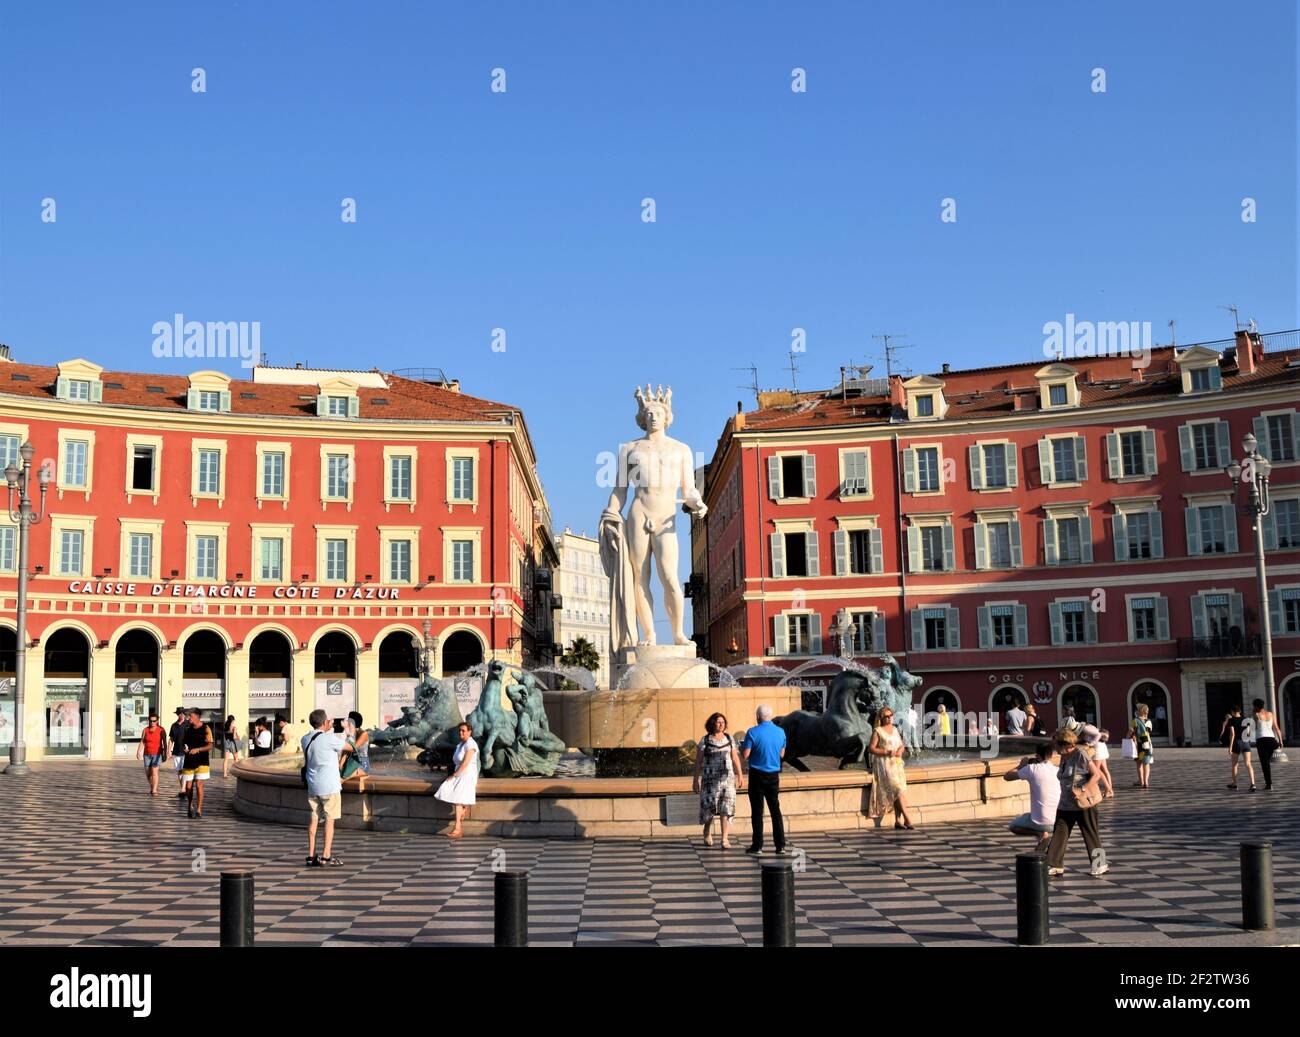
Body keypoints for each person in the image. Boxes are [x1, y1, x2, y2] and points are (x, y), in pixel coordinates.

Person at [1045, 727, 1107, 877]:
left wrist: (1083, 789)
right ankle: (1054, 864)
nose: (1054, 749)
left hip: (1083, 803)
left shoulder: (1080, 754)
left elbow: (1096, 775)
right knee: (1060, 832)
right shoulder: (1064, 756)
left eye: (1056, 746)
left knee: (1090, 832)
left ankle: (1100, 864)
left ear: (1065, 744)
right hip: (1066, 803)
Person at [301, 708, 346, 865]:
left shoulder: (305, 739)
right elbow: (349, 747)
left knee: (313, 819)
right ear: (324, 722)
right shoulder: (329, 739)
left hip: (313, 787)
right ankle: (326, 855)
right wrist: (348, 730)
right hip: (330, 787)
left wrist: (327, 728)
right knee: (329, 820)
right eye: (328, 721)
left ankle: (311, 855)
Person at [741, 704, 787, 856]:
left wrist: (744, 747)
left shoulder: (752, 732)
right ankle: (780, 846)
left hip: (757, 775)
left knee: (757, 812)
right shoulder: (780, 732)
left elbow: (745, 755)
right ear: (771, 716)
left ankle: (757, 846)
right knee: (776, 811)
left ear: (758, 717)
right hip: (773, 776)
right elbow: (781, 754)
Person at [693, 712, 743, 848]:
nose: (721, 724)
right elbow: (698, 762)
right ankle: (707, 831)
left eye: (723, 722)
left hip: (727, 779)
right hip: (710, 780)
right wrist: (695, 780)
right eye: (718, 722)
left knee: (725, 808)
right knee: (710, 808)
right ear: (712, 724)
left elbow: (735, 758)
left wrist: (740, 775)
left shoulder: (729, 738)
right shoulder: (705, 740)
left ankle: (724, 839)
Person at [1004, 742, 1060, 852]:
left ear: (1037, 756)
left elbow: (1007, 777)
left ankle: (1040, 833)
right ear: (1051, 755)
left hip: (1040, 821)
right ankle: (1045, 837)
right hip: (1058, 822)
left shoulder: (1032, 769)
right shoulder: (1057, 770)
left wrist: (1021, 766)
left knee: (1013, 826)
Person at [868, 706, 915, 828]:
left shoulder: (894, 729)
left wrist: (900, 750)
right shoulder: (878, 731)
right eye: (886, 716)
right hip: (884, 765)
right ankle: (908, 818)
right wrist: (886, 752)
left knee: (897, 792)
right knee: (898, 791)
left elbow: (901, 744)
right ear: (881, 718)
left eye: (891, 715)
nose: (889, 718)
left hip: (897, 765)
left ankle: (898, 821)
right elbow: (871, 748)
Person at [435, 722, 480, 838]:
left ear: (469, 732)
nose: (461, 732)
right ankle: (464, 810)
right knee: (447, 790)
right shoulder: (460, 744)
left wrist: (454, 775)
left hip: (467, 773)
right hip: (459, 771)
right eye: (460, 730)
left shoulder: (471, 744)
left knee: (457, 799)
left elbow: (465, 763)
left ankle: (457, 828)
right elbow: (457, 761)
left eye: (463, 731)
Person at [180, 708, 214, 819]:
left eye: (189, 716)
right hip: (189, 761)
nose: (187, 718)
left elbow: (210, 745)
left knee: (199, 785)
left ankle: (199, 809)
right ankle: (190, 805)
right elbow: (183, 744)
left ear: (196, 716)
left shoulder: (206, 728)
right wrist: (184, 749)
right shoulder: (187, 729)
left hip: (202, 761)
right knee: (188, 788)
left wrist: (198, 749)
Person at [1221, 705, 1257, 791]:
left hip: (1237, 743)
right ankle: (1253, 783)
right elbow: (1248, 734)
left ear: (1233, 712)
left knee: (1235, 764)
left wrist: (1230, 747)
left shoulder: (1231, 720)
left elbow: (1232, 734)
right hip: (1246, 743)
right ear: (1240, 711)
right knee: (1248, 764)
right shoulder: (1247, 720)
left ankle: (1234, 783)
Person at [1252, 699, 1283, 790]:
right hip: (1272, 740)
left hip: (1262, 740)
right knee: (1267, 762)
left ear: (1257, 707)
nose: (1253, 708)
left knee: (1265, 764)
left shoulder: (1256, 715)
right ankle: (1268, 783)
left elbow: (1251, 728)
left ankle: (1269, 784)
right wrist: (1280, 741)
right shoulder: (1270, 714)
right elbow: (1277, 728)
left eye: (1254, 706)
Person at [135, 712, 168, 796]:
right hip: (147, 754)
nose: (152, 723)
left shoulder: (161, 730)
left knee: (154, 772)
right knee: (148, 773)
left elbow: (164, 743)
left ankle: (154, 791)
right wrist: (139, 751)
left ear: (157, 721)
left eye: (154, 721)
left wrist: (165, 754)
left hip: (157, 754)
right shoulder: (145, 730)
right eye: (151, 721)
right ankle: (153, 786)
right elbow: (143, 741)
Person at [1128, 704, 1154, 788]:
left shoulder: (1135, 720)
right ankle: (1146, 782)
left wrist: (1129, 735)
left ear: (1139, 711)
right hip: (1147, 745)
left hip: (1138, 745)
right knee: (1146, 763)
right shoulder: (1149, 721)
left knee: (1139, 763)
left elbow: (1131, 732)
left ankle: (1141, 781)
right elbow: (1149, 731)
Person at [340, 711, 370, 781]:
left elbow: (353, 748)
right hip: (351, 763)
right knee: (337, 774)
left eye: (349, 720)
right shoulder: (351, 734)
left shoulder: (364, 734)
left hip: (362, 764)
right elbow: (346, 751)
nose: (347, 722)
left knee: (342, 778)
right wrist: (340, 764)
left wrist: (347, 732)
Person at [168, 707, 189, 797]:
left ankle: (183, 788)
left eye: (181, 713)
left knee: (184, 770)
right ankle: (183, 789)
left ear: (184, 714)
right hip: (176, 751)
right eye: (178, 713)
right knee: (179, 771)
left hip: (186, 751)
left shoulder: (188, 724)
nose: (180, 715)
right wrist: (169, 750)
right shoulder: (174, 725)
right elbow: (171, 739)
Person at [1089, 727, 1114, 798]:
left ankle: (1108, 790)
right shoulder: (1100, 732)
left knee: (1097, 770)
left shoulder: (1093, 732)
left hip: (1098, 748)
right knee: (1105, 770)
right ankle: (1109, 790)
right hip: (1103, 747)